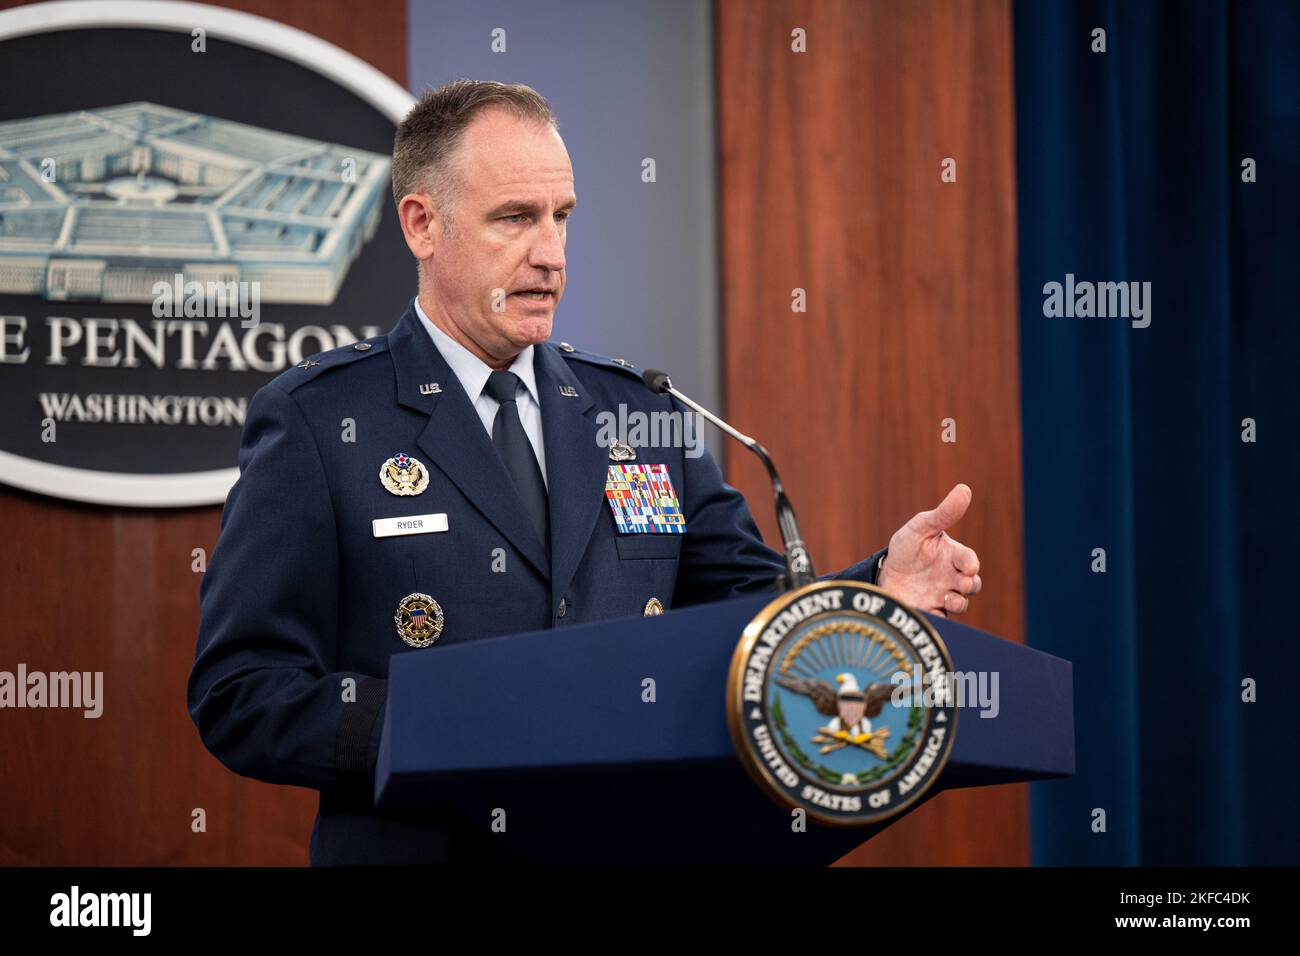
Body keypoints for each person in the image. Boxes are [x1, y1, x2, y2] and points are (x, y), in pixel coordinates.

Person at [187, 80, 982, 865]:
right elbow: (240, 690)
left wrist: (878, 590)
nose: (552, 255)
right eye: (515, 219)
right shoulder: (321, 419)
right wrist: (441, 726)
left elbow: (752, 616)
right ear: (423, 225)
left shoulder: (638, 412)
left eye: (561, 217)